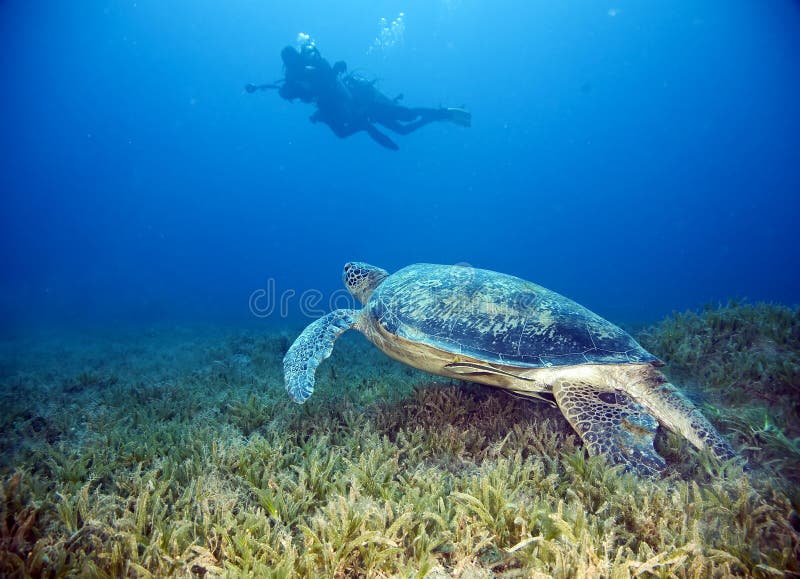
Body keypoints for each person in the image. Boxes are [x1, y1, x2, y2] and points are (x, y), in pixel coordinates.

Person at [247, 43, 471, 150]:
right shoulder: (294, 79)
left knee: (406, 118)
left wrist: (334, 70)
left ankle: (442, 113)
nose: (293, 65)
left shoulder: (314, 64)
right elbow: (286, 92)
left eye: (294, 60)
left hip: (360, 100)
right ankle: (366, 126)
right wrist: (267, 88)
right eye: (289, 63)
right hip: (342, 110)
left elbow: (329, 76)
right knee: (347, 133)